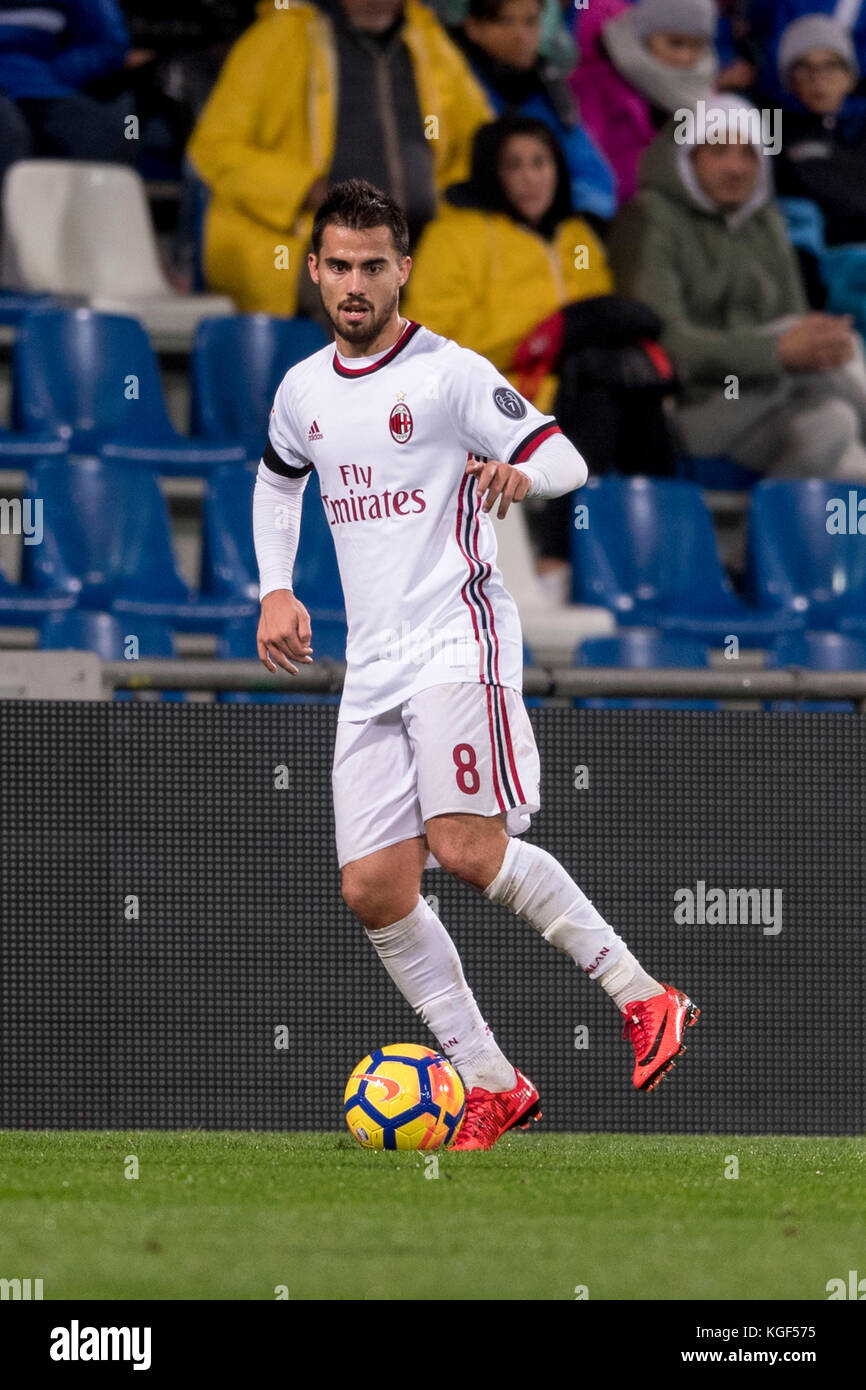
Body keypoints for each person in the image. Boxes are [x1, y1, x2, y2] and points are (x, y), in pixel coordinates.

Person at [252, 178, 699, 1151]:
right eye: (339, 266)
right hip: (372, 662)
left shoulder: (450, 374)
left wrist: (518, 471)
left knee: (461, 846)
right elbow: (278, 477)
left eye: (375, 266)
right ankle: (491, 1082)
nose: (356, 283)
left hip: (457, 640)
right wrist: (273, 587)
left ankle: (643, 994)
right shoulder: (300, 390)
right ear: (315, 270)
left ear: (403, 269)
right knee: (372, 888)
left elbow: (565, 454)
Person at [405, 115, 677, 594]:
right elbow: (433, 340)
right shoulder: (455, 237)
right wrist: (541, 336)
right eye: (515, 165)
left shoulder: (578, 238)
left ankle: (648, 568)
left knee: (632, 388)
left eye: (540, 163)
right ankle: (563, 559)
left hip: (573, 386)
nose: (531, 178)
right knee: (596, 394)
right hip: (495, 393)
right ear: (492, 171)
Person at [608, 93, 866, 480]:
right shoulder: (649, 218)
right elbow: (665, 341)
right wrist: (776, 350)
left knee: (837, 431)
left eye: (748, 154)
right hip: (691, 405)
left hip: (767, 401)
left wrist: (805, 346)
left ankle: (751, 539)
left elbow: (796, 327)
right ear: (688, 158)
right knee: (837, 355)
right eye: (718, 152)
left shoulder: (767, 222)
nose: (736, 167)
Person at [186, 0, 491, 316]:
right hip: (302, 241)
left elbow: (484, 145)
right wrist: (304, 189)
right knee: (361, 300)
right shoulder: (280, 37)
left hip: (424, 239)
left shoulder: (429, 41)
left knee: (491, 288)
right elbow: (214, 147)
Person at [448, 0, 617, 223]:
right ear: (473, 27)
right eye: (506, 21)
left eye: (530, 22)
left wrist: (565, 215)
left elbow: (594, 177)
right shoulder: (452, 84)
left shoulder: (550, 93)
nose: (520, 35)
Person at [570, 0, 719, 204]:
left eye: (695, 45)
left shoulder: (707, 93)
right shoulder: (596, 85)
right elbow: (585, 167)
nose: (685, 56)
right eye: (675, 42)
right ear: (645, 35)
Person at [0, 0, 134, 185]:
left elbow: (110, 43)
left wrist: (63, 72)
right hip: (9, 102)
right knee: (10, 132)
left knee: (114, 133)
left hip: (40, 83)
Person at [775, 14, 866, 247]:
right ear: (789, 79)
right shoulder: (774, 133)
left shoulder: (859, 131)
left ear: (850, 77)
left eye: (831, 66)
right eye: (804, 68)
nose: (818, 80)